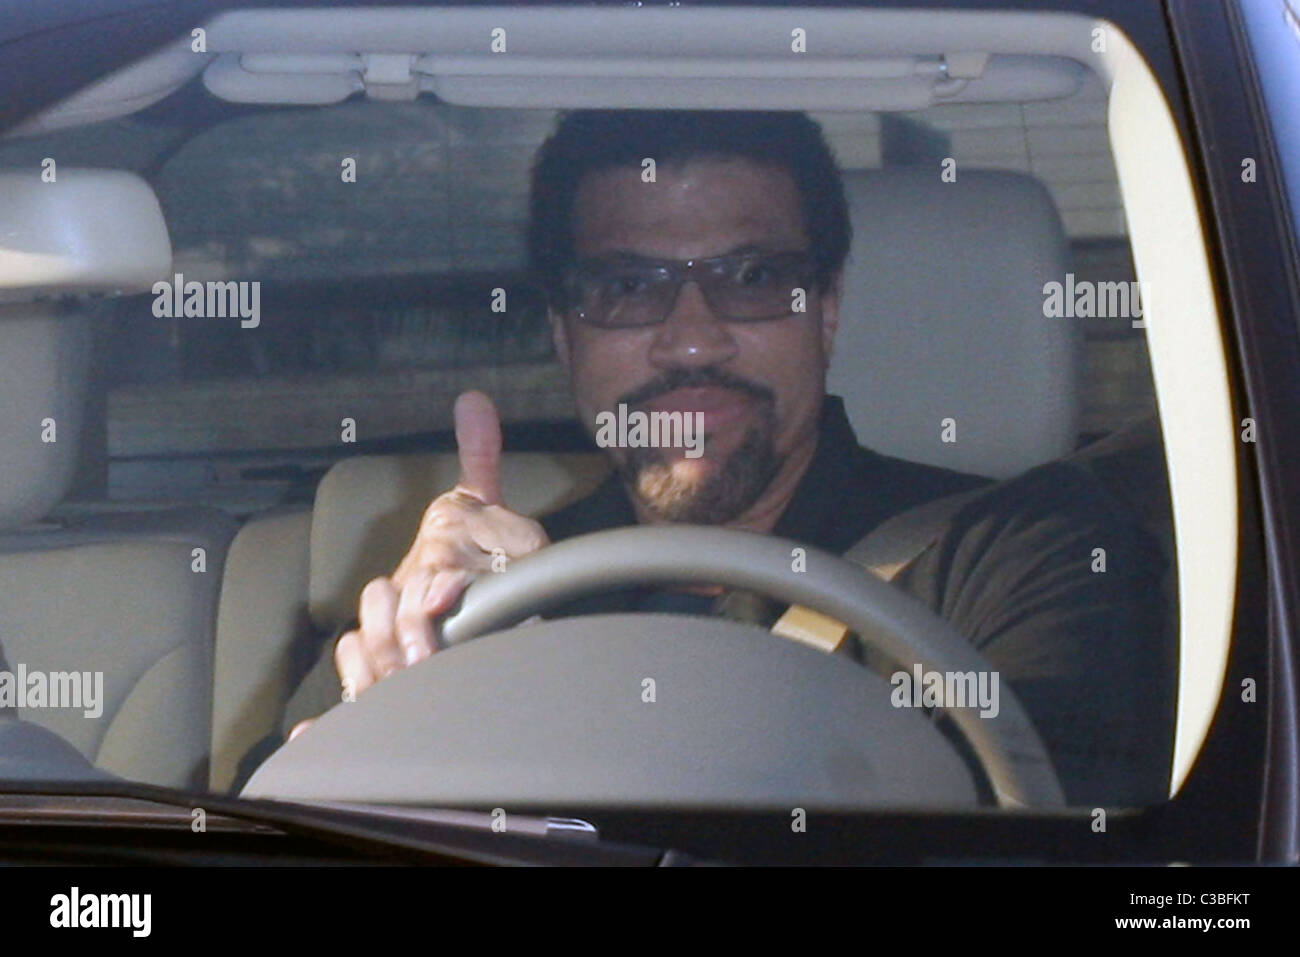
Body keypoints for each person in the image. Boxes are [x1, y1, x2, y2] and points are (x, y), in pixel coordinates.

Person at [246, 110, 1176, 805]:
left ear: (829, 309)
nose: (692, 341)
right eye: (625, 287)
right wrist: (417, 661)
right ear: (565, 337)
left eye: (754, 278)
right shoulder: (483, 589)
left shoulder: (1027, 553)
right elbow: (261, 826)